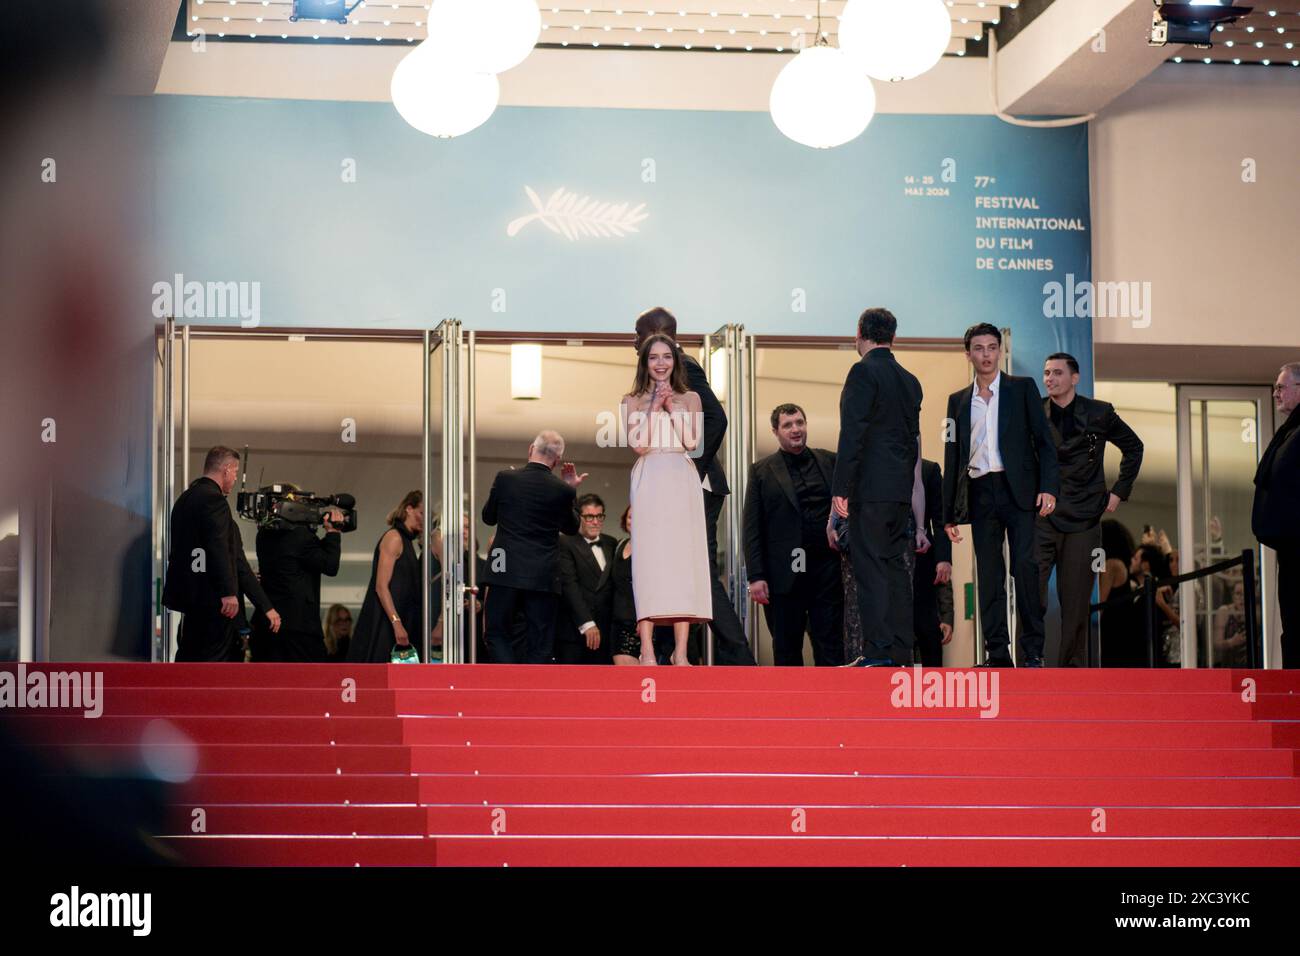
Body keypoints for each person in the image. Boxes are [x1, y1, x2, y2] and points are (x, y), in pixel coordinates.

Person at [633, 307, 756, 665]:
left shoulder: (684, 365)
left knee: (695, 568)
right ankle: (678, 651)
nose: (633, 341)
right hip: (676, 485)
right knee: (673, 565)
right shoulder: (653, 376)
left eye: (637, 334)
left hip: (693, 485)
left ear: (659, 333)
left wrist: (687, 470)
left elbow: (717, 418)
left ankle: (739, 658)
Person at [942, 323, 1059, 667]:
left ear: (1001, 351)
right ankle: (997, 653)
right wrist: (948, 513)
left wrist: (1048, 487)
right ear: (969, 355)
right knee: (990, 574)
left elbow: (1044, 443)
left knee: (1025, 568)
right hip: (980, 492)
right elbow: (953, 457)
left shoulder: (1022, 389)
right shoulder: (958, 402)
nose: (986, 354)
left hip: (1019, 491)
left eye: (992, 347)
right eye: (979, 348)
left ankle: (1033, 651)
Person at [830, 308, 930, 667]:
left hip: (869, 489)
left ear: (860, 333)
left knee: (870, 568)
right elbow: (912, 441)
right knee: (895, 571)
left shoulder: (862, 372)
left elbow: (852, 432)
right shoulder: (910, 380)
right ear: (894, 336)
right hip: (899, 491)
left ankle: (877, 653)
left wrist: (840, 486)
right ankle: (901, 652)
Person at [1039, 353, 1144, 667]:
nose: (1050, 379)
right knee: (1032, 594)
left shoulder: (1099, 413)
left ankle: (1071, 670)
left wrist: (1119, 492)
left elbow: (1134, 447)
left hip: (1085, 518)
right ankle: (1031, 662)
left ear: (1075, 377)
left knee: (1076, 601)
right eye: (1046, 373)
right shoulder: (1035, 412)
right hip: (1042, 516)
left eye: (1057, 373)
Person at [622, 333, 712, 665]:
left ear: (675, 361)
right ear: (644, 363)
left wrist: (671, 406)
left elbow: (693, 443)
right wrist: (652, 407)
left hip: (681, 475)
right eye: (653, 357)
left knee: (681, 561)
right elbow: (639, 445)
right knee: (650, 561)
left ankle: (682, 652)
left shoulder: (691, 398)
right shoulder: (630, 400)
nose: (661, 363)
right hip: (650, 476)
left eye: (667, 357)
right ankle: (646, 650)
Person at [743, 404, 842, 666]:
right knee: (787, 647)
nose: (795, 429)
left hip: (827, 570)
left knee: (830, 643)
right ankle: (791, 707)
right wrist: (756, 576)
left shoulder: (831, 461)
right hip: (783, 574)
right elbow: (751, 527)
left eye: (800, 422)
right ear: (776, 431)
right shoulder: (761, 471)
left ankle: (832, 704)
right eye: (788, 425)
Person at [163, 446, 281, 661]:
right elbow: (220, 548)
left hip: (190, 599)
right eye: (235, 472)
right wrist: (228, 591)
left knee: (189, 658)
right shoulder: (214, 501)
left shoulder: (184, 500)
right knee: (212, 664)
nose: (235, 479)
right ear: (226, 469)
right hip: (214, 601)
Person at [480, 431, 584, 663]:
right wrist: (571, 490)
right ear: (556, 461)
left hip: (504, 566)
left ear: (530, 449)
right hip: (543, 574)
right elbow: (572, 528)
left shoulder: (506, 478)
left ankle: (509, 682)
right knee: (541, 641)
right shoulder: (563, 490)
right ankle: (531, 692)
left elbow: (488, 517)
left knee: (496, 632)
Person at [249, 488, 343, 662]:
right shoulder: (301, 536)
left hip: (266, 625)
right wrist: (333, 533)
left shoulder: (262, 535)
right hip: (298, 629)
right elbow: (330, 565)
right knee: (307, 683)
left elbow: (302, 555)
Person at [1252, 361, 1300, 668]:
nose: (1275, 393)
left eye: (1281, 387)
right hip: (1290, 546)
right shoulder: (1290, 431)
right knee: (1292, 619)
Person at [348, 490, 424, 662]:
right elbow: (381, 586)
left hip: (399, 619)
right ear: (409, 509)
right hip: (387, 622)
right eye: (421, 513)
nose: (424, 519)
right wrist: (396, 623)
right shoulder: (394, 537)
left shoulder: (409, 543)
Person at [556, 493, 619, 664]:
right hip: (575, 630)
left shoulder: (612, 543)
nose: (595, 521)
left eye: (599, 516)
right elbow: (569, 586)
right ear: (579, 517)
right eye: (589, 516)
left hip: (605, 628)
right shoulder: (565, 542)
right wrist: (587, 623)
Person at [914, 458, 955, 666]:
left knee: (928, 631)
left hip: (923, 560)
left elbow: (940, 520)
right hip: (887, 562)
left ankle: (933, 692)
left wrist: (944, 558)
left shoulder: (929, 470)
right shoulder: (879, 464)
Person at [610, 506, 639, 666]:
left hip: (638, 623)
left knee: (638, 679)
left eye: (636, 517)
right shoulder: (619, 544)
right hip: (618, 621)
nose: (632, 521)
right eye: (629, 517)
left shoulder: (649, 548)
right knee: (623, 679)